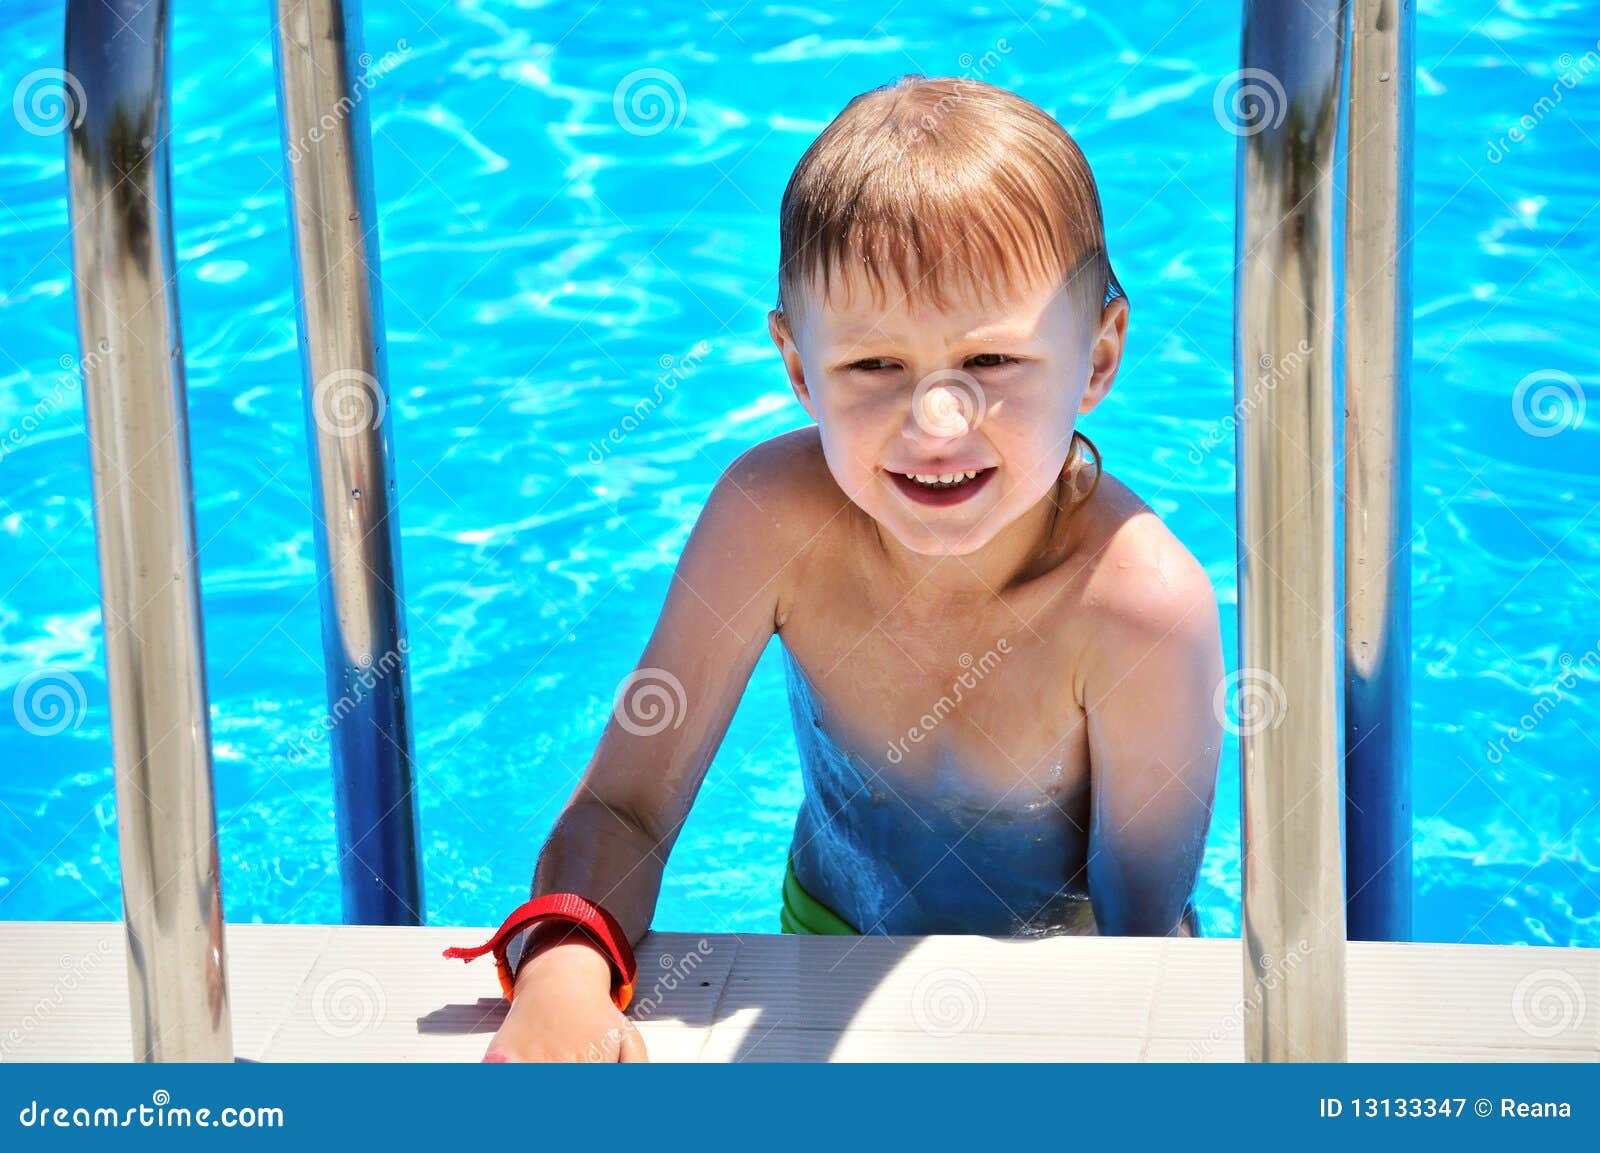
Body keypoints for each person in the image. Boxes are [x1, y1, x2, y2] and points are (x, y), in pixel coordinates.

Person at [453, 73, 1222, 1062]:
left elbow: (1144, 937)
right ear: (795, 365)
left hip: (1055, 988)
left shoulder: (1136, 608)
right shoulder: (771, 521)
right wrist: (563, 964)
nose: (936, 422)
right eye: (873, 367)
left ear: (1100, 357)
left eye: (991, 364)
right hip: (823, 939)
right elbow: (624, 802)